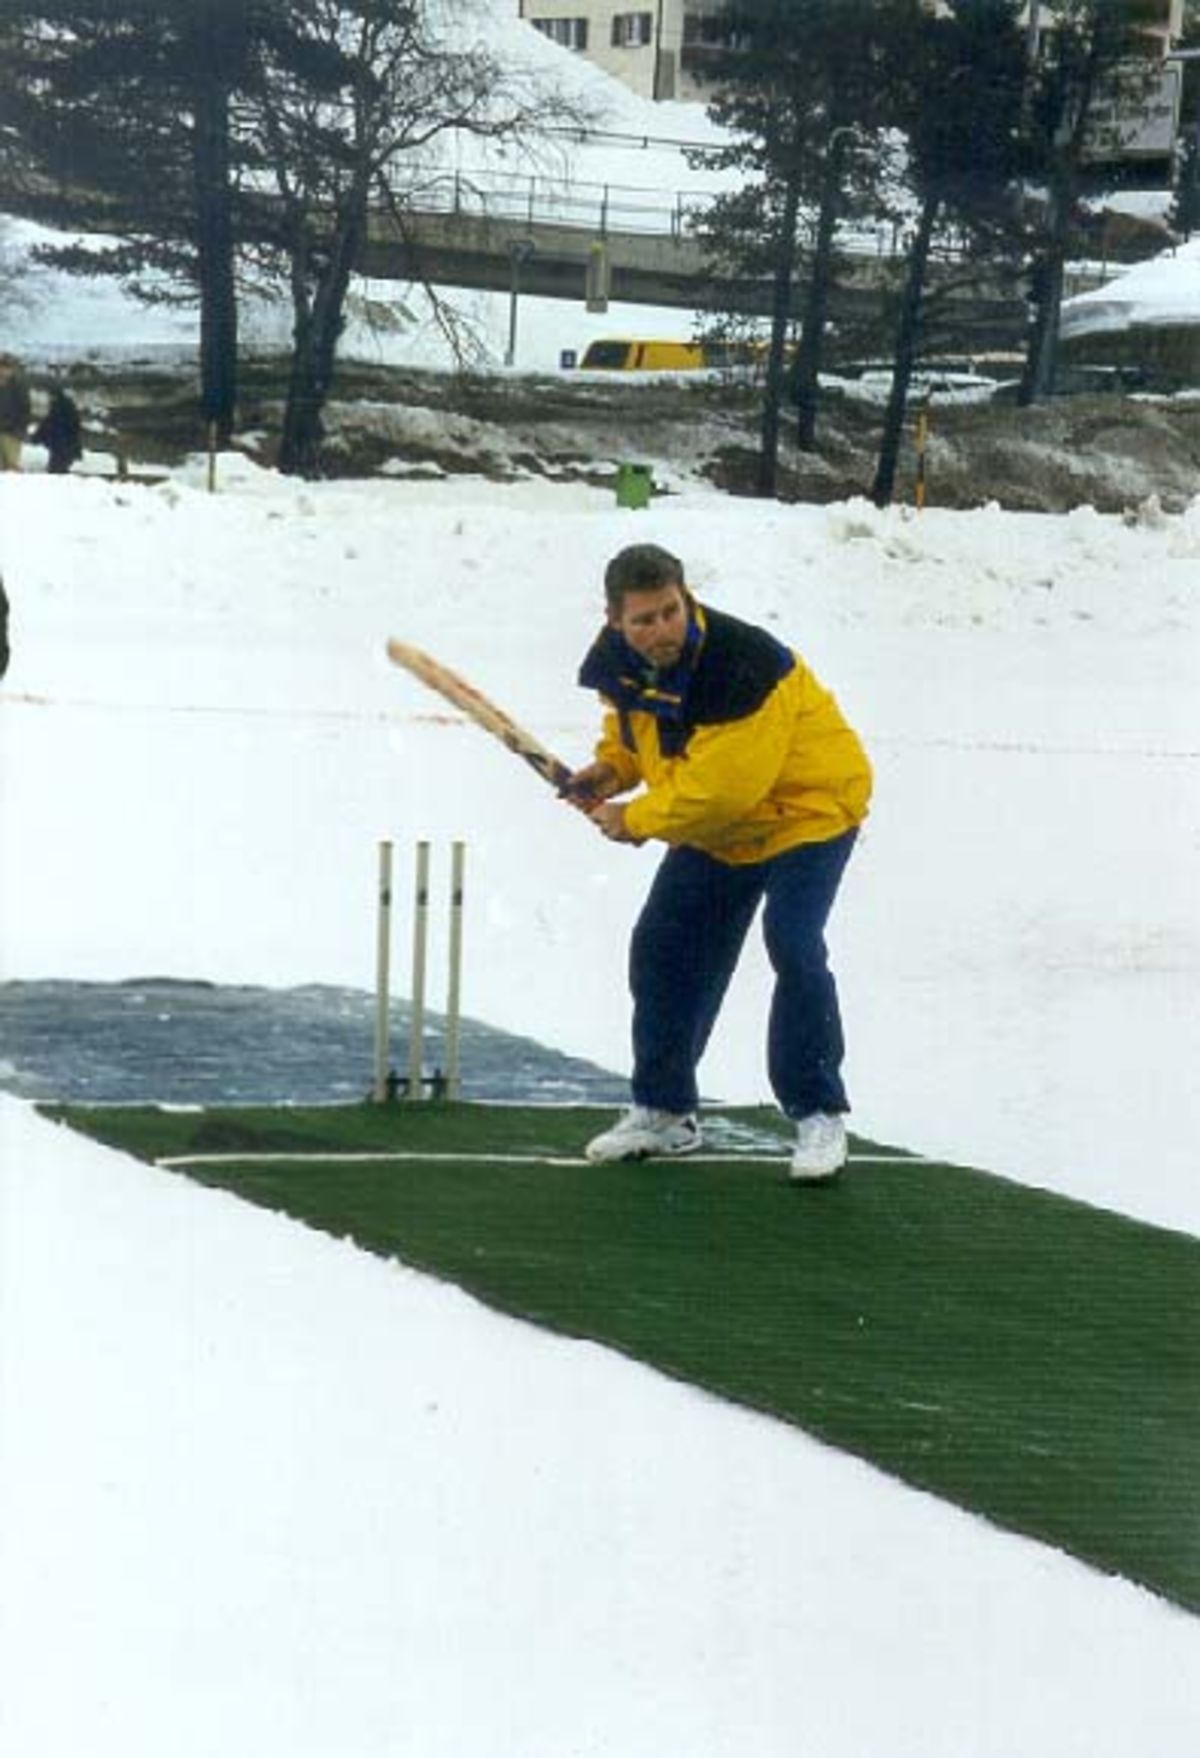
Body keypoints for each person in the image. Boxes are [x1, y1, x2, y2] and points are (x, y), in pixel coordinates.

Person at [570, 542, 872, 1181]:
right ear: (614, 619)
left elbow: (724, 789)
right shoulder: (619, 662)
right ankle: (665, 1111)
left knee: (792, 939)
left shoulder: (742, 665)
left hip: (807, 811)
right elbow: (640, 735)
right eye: (643, 619)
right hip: (724, 826)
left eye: (670, 612)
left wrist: (635, 819)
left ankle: (819, 1114)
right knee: (662, 945)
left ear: (687, 598)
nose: (660, 631)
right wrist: (611, 770)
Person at [32, 385, 83, 475]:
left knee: (56, 469)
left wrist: (38, 436)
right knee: (58, 468)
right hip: (63, 444)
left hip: (63, 444)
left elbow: (50, 423)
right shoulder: (62, 405)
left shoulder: (60, 407)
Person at [0, 354, 32, 472]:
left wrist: (19, 427)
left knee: (12, 466)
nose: (3, 370)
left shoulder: (19, 386)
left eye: (6, 367)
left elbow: (25, 410)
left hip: (12, 432)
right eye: (1, 367)